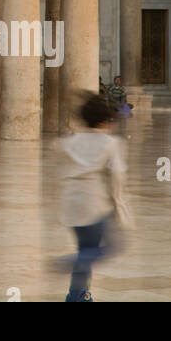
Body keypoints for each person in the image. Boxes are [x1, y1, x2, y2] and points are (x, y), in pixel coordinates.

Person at [56, 90, 130, 301]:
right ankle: (70, 263)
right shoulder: (110, 143)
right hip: (94, 205)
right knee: (113, 246)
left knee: (86, 248)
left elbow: (61, 164)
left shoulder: (70, 140)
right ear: (104, 120)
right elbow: (117, 178)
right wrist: (120, 208)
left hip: (71, 205)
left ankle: (77, 295)